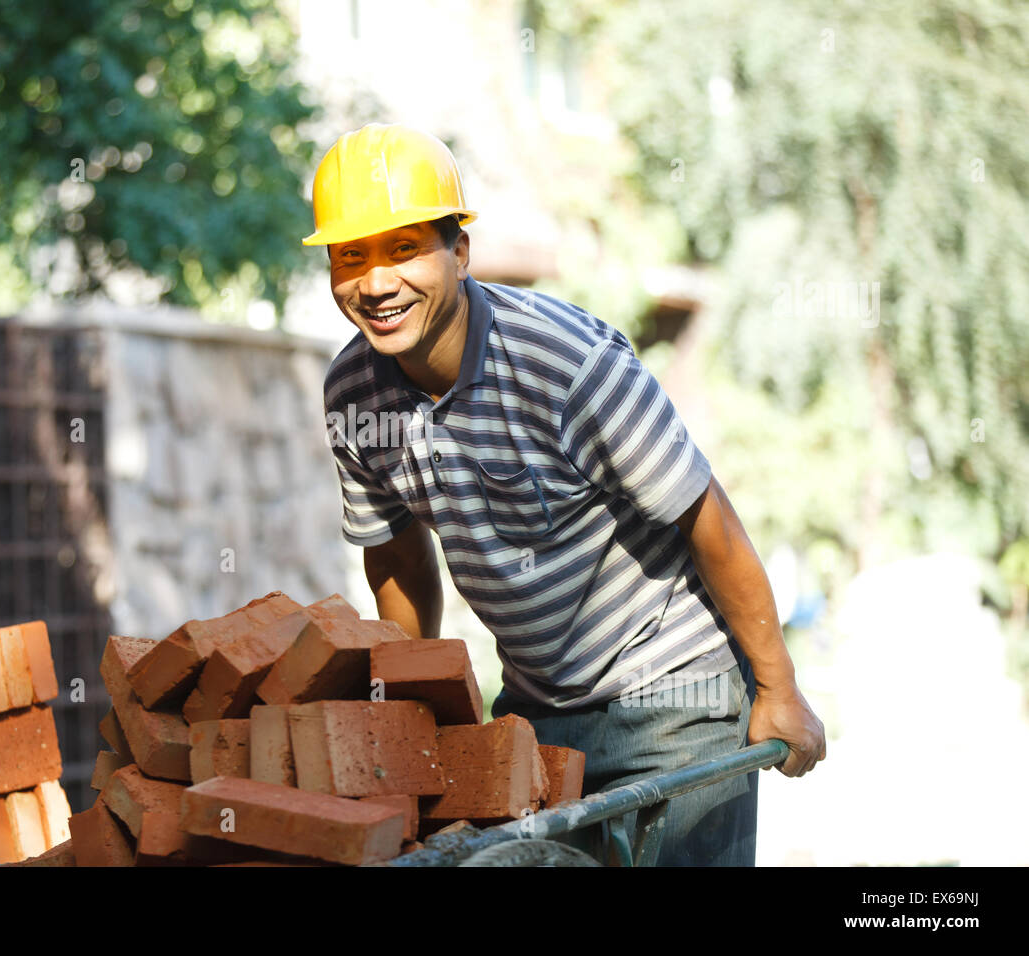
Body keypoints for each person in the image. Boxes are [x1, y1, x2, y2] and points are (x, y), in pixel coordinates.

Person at [306, 123, 826, 865]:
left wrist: (778, 687)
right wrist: (409, 712)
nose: (377, 282)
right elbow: (397, 553)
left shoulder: (567, 362)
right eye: (350, 257)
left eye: (404, 248)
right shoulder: (353, 391)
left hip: (674, 702)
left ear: (460, 251)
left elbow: (708, 520)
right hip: (539, 709)